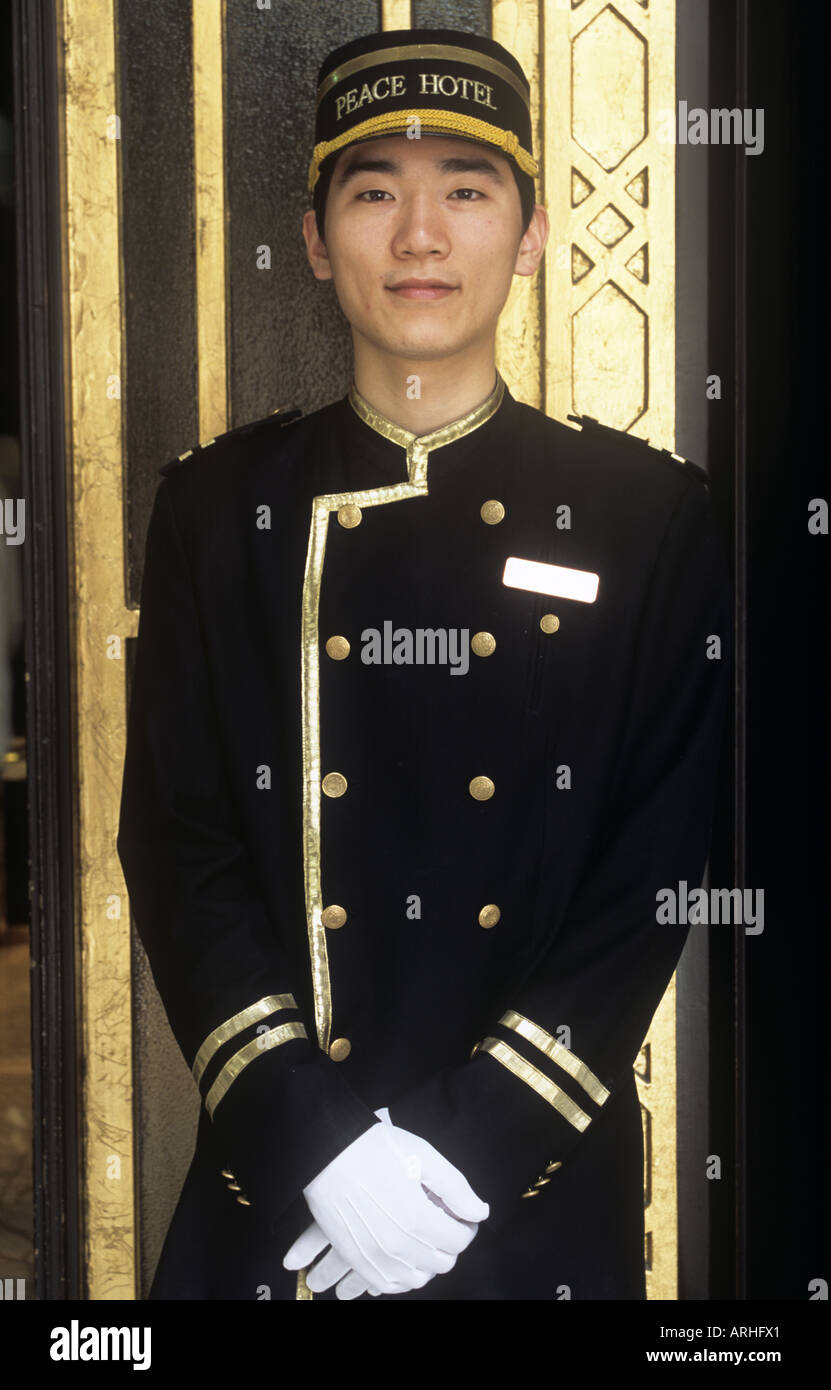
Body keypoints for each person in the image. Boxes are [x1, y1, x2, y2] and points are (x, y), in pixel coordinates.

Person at [117, 28, 732, 1301]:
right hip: (282, 1190)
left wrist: (469, 1146)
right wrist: (318, 1147)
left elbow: (658, 863)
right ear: (311, 234)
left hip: (530, 1189)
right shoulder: (218, 507)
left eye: (465, 187)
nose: (419, 235)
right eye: (374, 192)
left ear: (533, 233)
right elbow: (179, 843)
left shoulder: (646, 514)